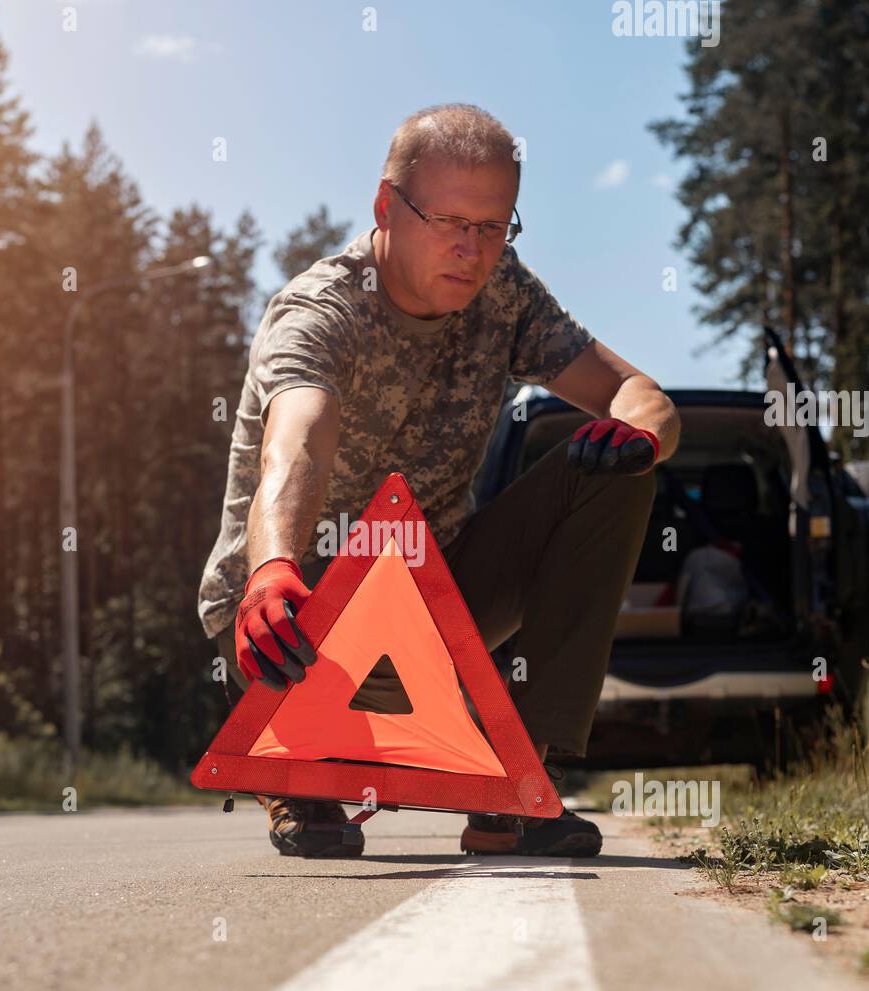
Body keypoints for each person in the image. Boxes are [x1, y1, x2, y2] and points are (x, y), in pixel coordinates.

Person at [197, 104, 679, 859]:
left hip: (429, 601)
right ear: (387, 207)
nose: (473, 250)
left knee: (617, 476)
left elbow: (639, 393)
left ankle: (521, 782)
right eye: (450, 221)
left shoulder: (503, 296)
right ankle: (300, 769)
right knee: (320, 795)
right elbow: (297, 447)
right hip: (288, 619)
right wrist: (271, 569)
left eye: (494, 227)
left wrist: (642, 434)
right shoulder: (320, 312)